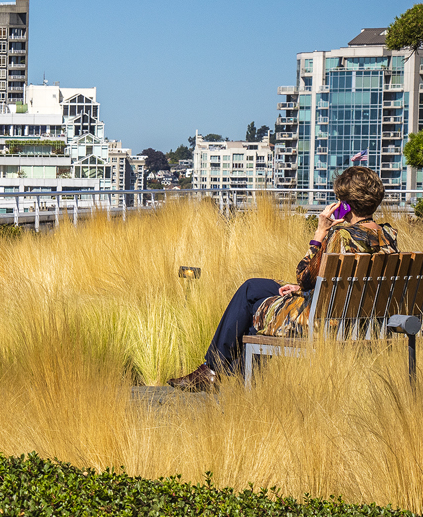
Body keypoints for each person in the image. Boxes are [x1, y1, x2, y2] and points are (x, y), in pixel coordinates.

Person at [166, 166, 398, 393]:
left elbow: (304, 276)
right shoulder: (387, 235)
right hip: (361, 317)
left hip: (325, 320)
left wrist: (320, 233)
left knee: (253, 306)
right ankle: (222, 374)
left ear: (345, 204)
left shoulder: (341, 236)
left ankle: (214, 370)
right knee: (253, 287)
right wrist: (299, 288)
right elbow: (338, 282)